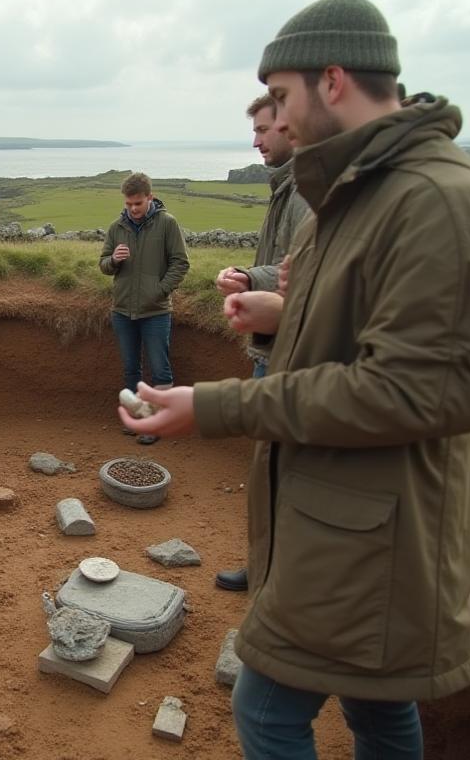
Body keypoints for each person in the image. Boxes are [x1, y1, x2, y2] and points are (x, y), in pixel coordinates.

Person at [119, 0, 470, 757]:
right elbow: (367, 332)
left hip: (381, 534)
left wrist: (215, 405)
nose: (273, 114)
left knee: (267, 709)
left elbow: (424, 388)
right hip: (343, 519)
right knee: (378, 710)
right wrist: (283, 310)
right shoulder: (355, 198)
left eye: (279, 96)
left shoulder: (445, 204)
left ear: (333, 80)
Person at [213, 93, 311, 594]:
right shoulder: (287, 188)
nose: (256, 141)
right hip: (272, 350)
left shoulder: (306, 193)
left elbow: (307, 271)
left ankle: (275, 576)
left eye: (265, 131)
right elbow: (290, 267)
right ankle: (265, 565)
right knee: (270, 470)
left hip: (287, 357)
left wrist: (250, 277)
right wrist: (251, 276)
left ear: (293, 127)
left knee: (278, 472)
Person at [98, 172, 190, 445]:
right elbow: (103, 264)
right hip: (123, 310)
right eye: (128, 204)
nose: (133, 209)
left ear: (150, 197)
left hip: (156, 312)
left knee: (159, 369)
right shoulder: (117, 227)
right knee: (131, 369)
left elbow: (180, 263)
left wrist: (159, 291)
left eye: (138, 203)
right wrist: (113, 260)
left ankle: (158, 423)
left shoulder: (167, 224)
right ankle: (137, 418)